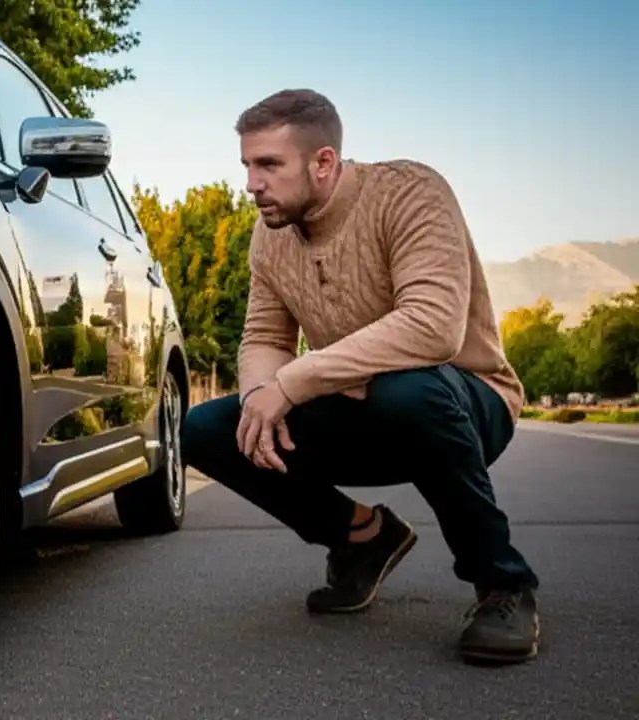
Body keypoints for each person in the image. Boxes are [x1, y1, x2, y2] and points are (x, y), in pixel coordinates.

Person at [182, 88, 541, 664]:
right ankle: (362, 538)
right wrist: (258, 400)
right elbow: (265, 339)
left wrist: (293, 384)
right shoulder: (269, 234)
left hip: (464, 405)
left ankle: (503, 584)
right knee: (206, 428)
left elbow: (432, 328)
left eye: (268, 165)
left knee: (410, 389)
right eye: (247, 165)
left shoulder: (410, 193)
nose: (252, 183)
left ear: (323, 162)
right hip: (355, 409)